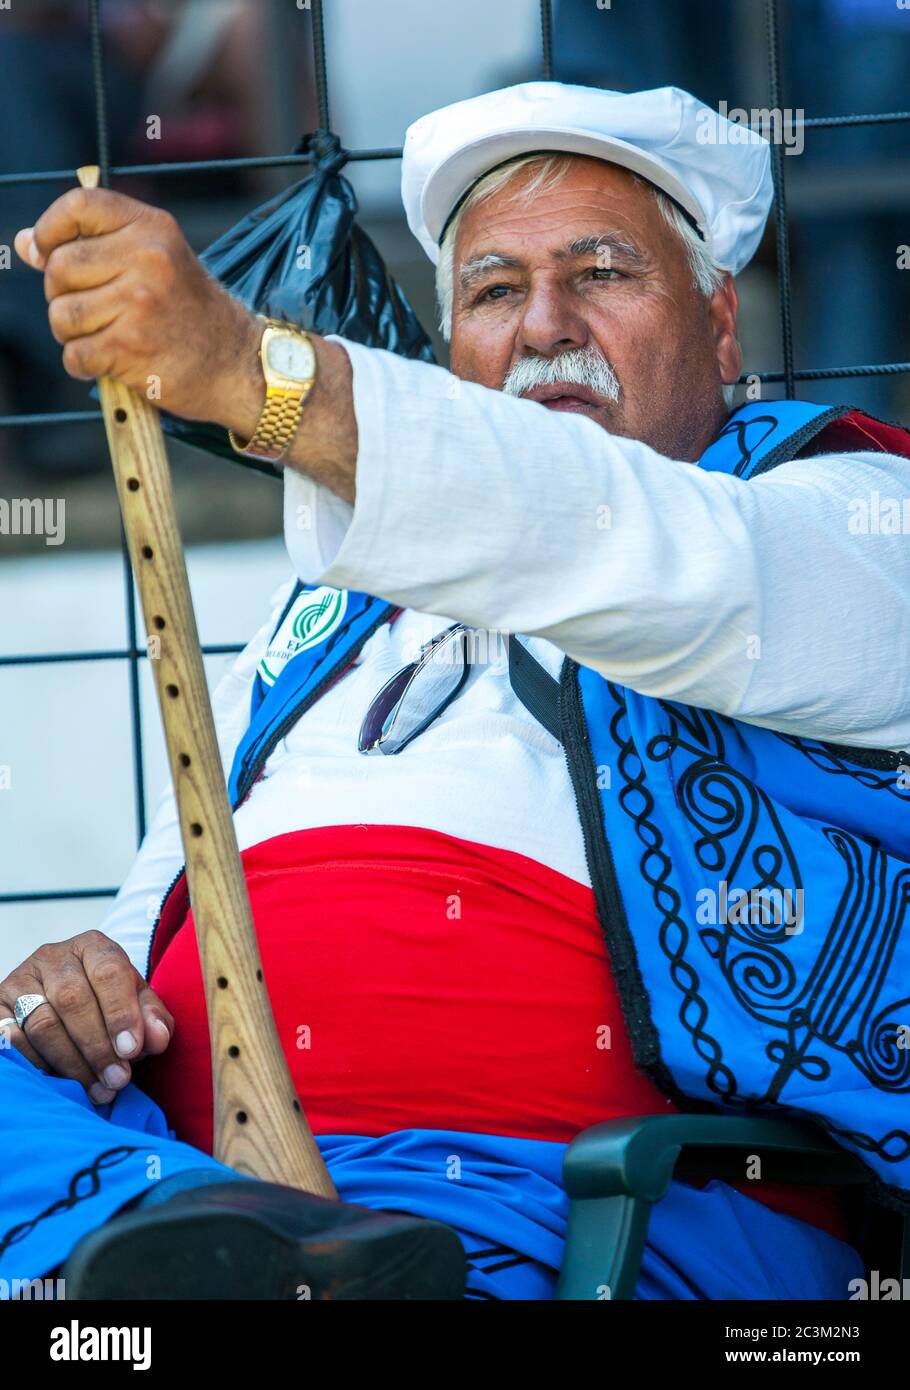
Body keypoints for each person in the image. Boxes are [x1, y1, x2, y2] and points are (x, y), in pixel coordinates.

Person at [6, 81, 910, 1301]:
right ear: (451, 355)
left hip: (576, 1198)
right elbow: (165, 897)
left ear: (720, 324)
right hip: (180, 1175)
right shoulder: (328, 604)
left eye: (600, 273)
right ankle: (222, 1242)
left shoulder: (840, 518)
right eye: (492, 290)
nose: (542, 325)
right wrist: (86, 977)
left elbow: (624, 541)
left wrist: (254, 376)